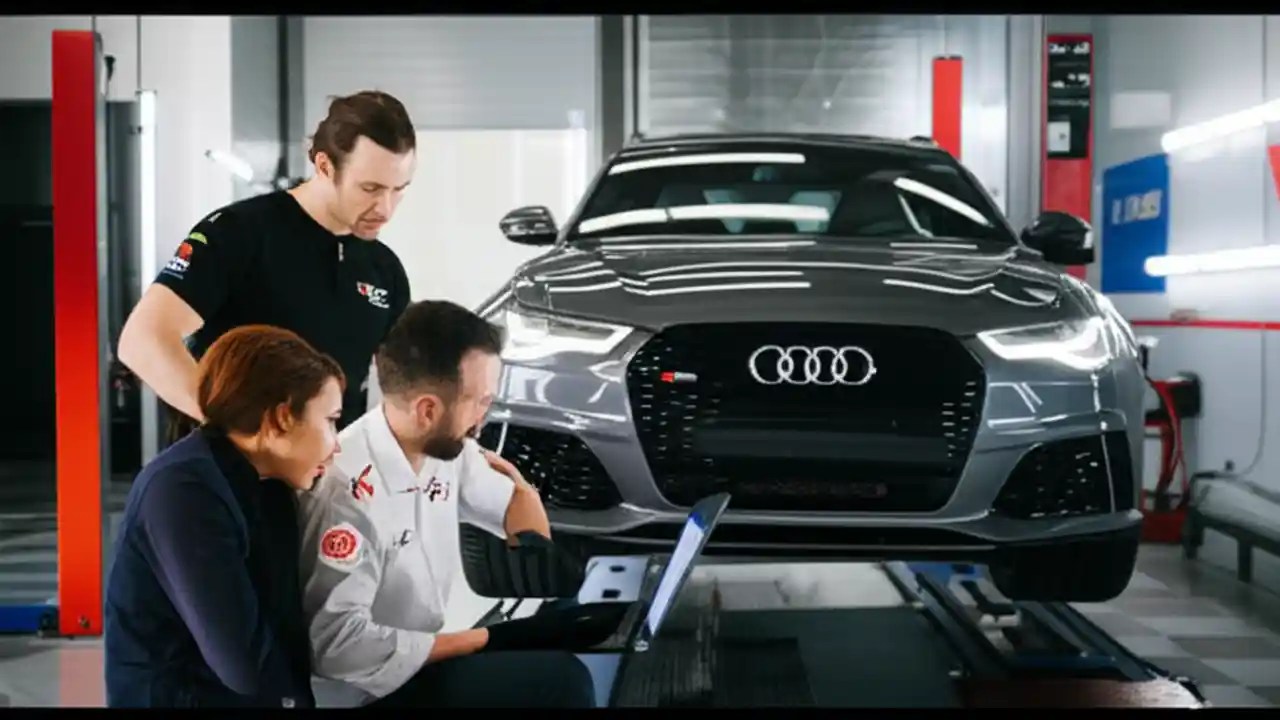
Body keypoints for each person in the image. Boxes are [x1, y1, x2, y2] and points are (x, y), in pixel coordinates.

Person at [297, 300, 621, 708]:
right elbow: (338, 649)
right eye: (481, 401)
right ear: (428, 410)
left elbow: (516, 513)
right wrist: (482, 640)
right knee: (563, 683)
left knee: (562, 627)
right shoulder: (345, 496)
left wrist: (527, 504)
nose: (484, 417)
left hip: (419, 662)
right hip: (363, 693)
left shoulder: (446, 449)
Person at [118, 89, 417, 443]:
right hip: (228, 470)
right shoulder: (239, 233)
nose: (385, 208)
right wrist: (233, 430)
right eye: (370, 188)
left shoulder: (384, 269)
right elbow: (143, 339)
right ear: (325, 166)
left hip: (327, 471)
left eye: (399, 189)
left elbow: (407, 385)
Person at [103, 325, 345, 708]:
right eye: (331, 420)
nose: (337, 445)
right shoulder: (182, 492)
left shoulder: (268, 482)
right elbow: (245, 663)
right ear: (282, 417)